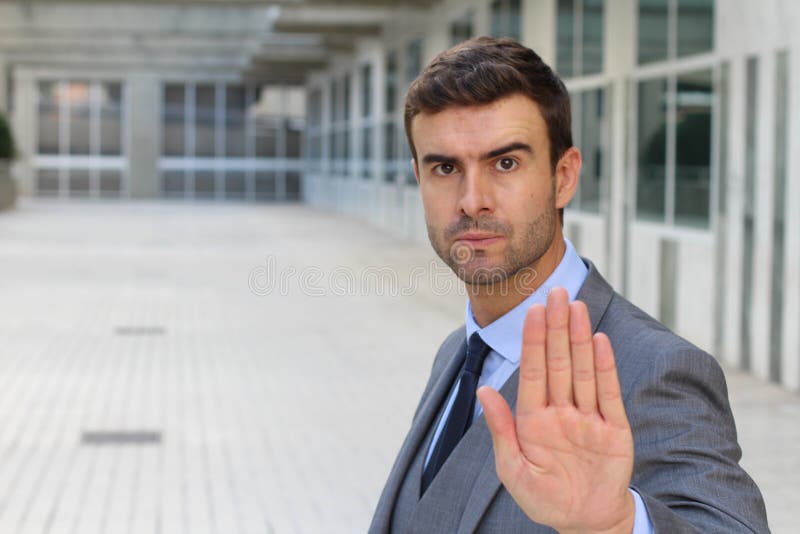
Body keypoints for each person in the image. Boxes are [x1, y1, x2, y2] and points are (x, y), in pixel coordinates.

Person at [369, 37, 768, 533]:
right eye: (445, 168)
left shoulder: (653, 368)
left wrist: (618, 524)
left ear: (564, 176)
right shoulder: (460, 351)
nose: (472, 200)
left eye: (505, 163)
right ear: (418, 178)